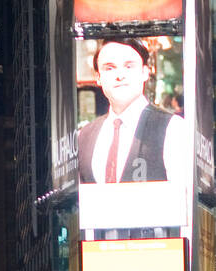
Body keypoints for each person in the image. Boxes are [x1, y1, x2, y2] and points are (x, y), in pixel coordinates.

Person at [76, 39, 187, 186]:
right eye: (109, 68)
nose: (120, 75)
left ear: (145, 73)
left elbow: (183, 200)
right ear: (98, 78)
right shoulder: (84, 136)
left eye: (129, 66)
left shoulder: (172, 128)